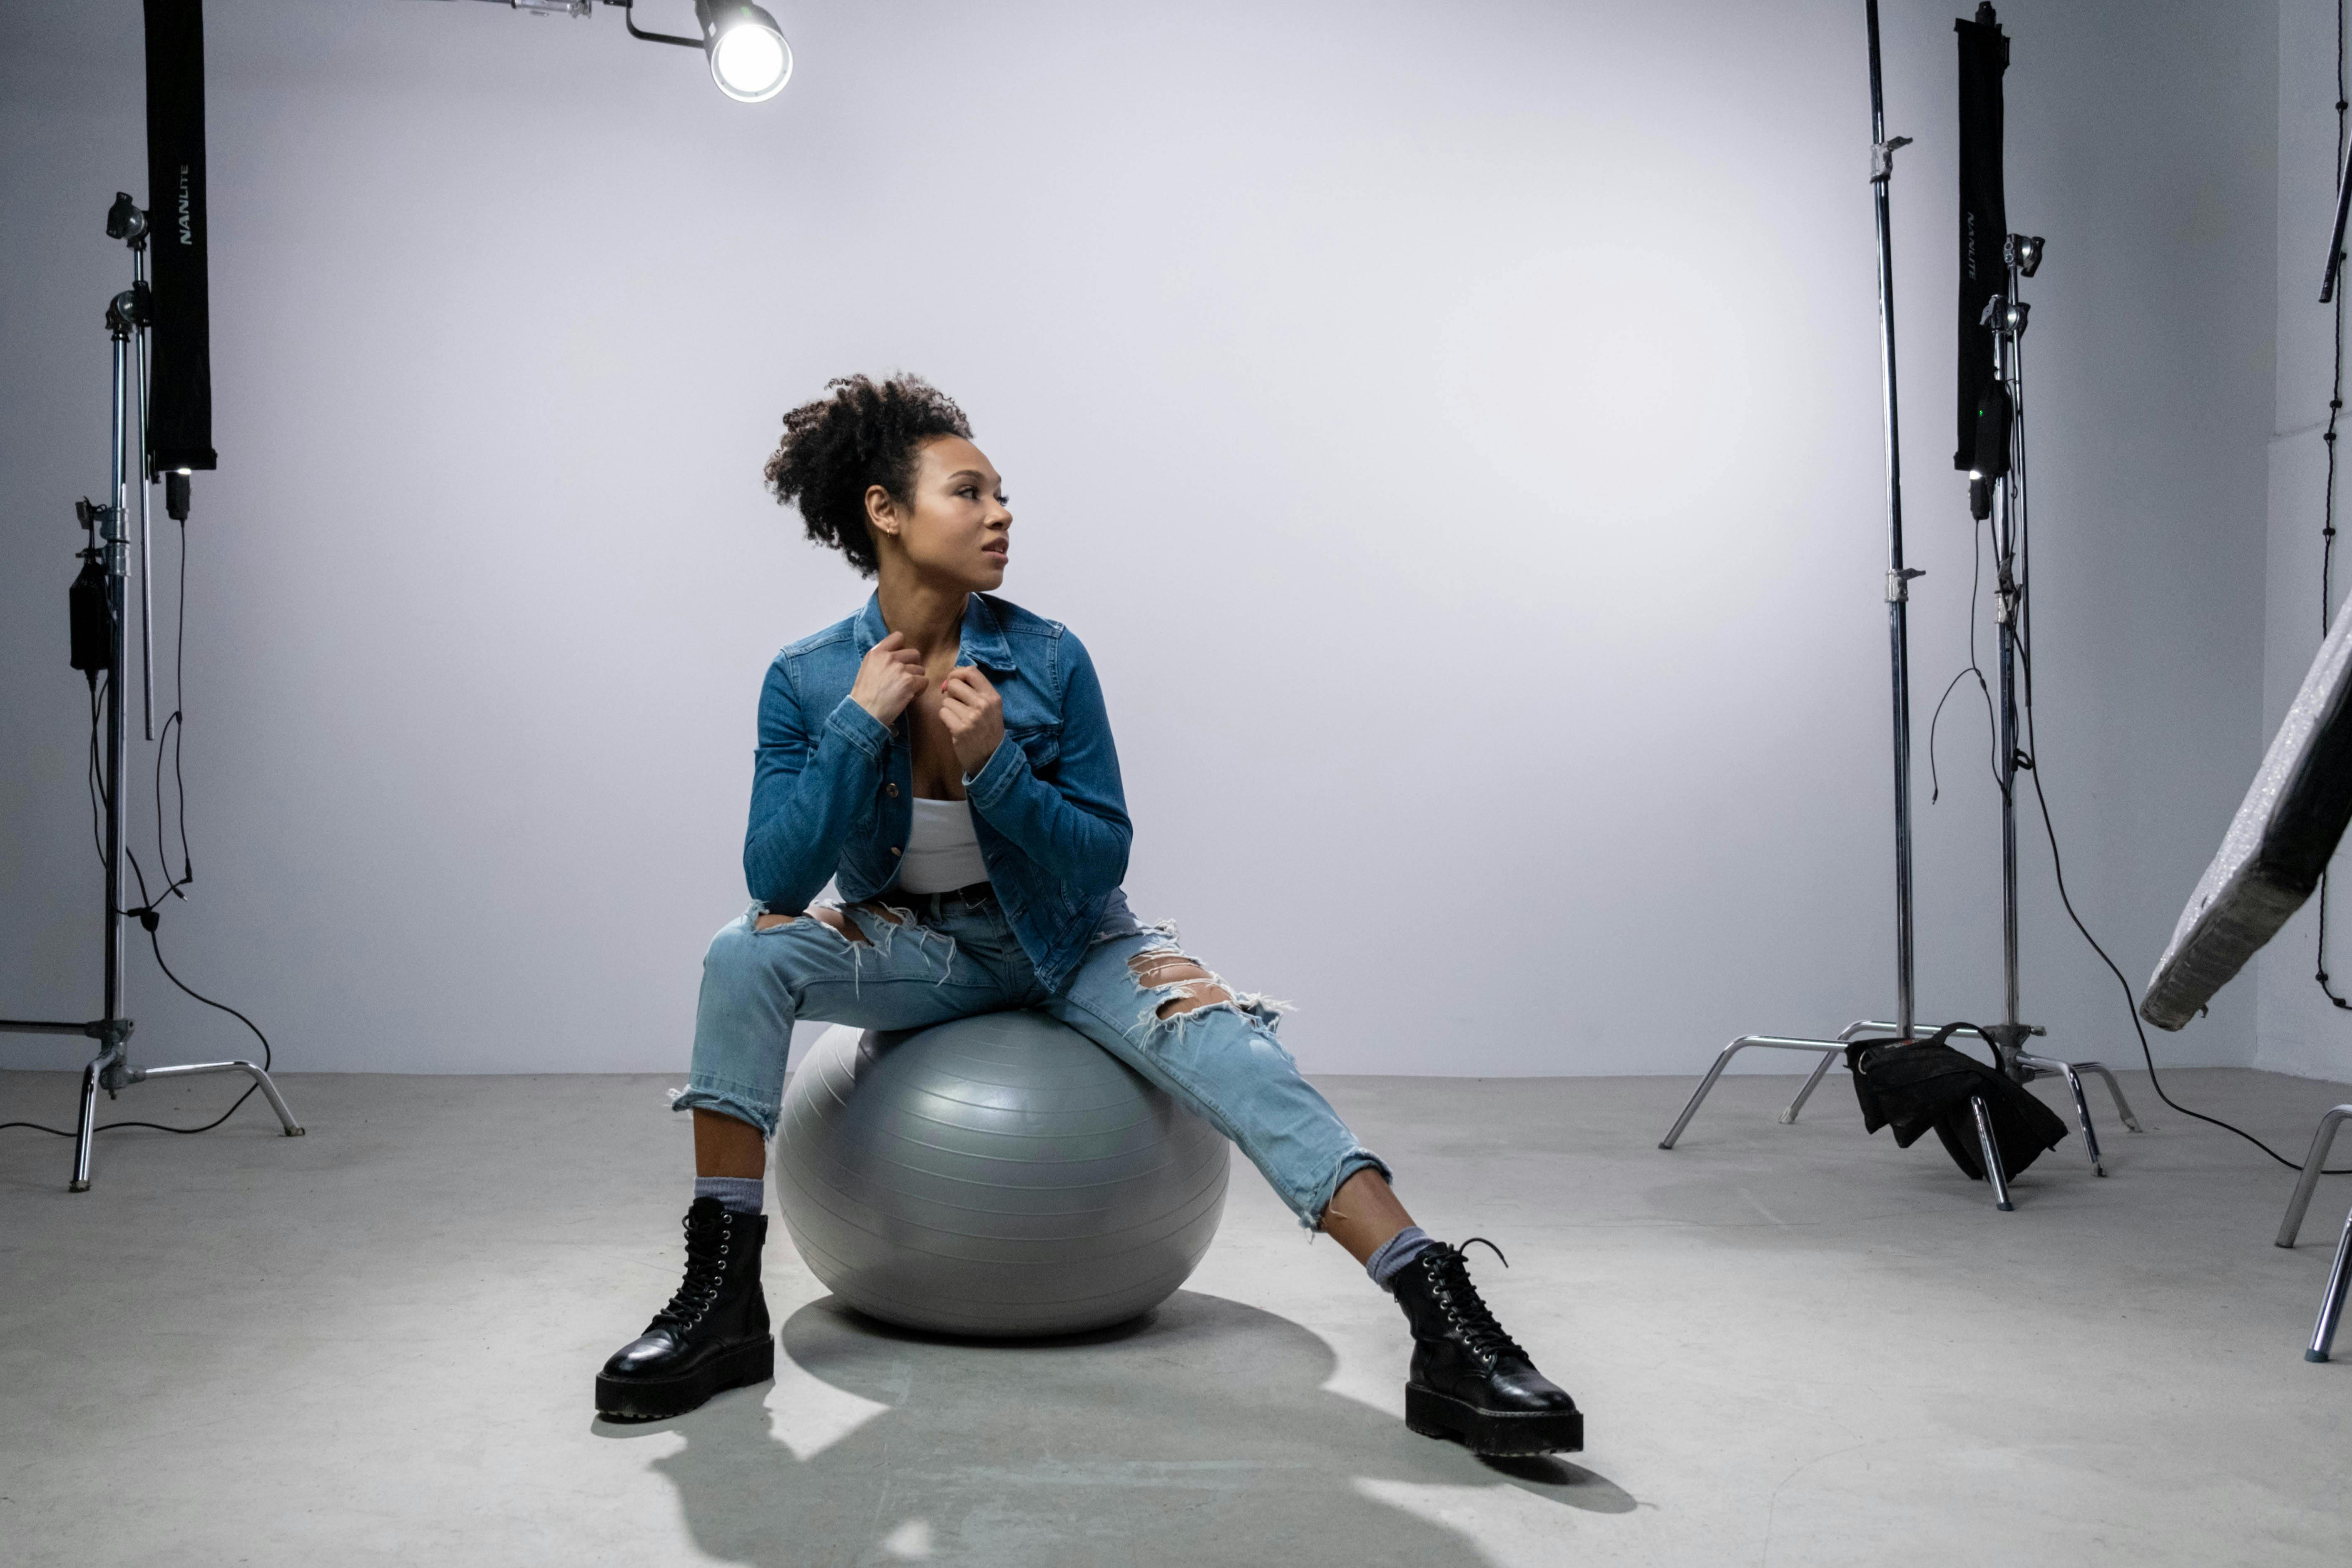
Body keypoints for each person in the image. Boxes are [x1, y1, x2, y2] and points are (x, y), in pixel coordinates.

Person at [594, 374, 1581, 1456]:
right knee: (741, 957)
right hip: (920, 951)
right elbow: (776, 883)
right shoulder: (806, 676)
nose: (1000, 514)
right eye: (967, 492)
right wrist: (856, 726)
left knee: (1244, 1061)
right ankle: (720, 1303)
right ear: (886, 513)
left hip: (1076, 942)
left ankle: (1445, 1326)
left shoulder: (1049, 658)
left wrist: (996, 766)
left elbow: (1103, 852)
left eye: (1002, 494)